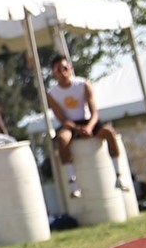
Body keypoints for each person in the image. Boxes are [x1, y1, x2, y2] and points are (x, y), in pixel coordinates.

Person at [45, 54, 128, 198]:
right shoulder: (52, 94)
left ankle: (118, 176)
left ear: (70, 68)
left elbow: (94, 111)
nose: (63, 72)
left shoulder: (83, 84)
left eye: (65, 68)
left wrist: (89, 127)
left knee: (109, 132)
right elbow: (62, 118)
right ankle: (73, 184)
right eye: (58, 70)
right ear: (54, 73)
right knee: (62, 140)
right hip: (70, 125)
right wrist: (76, 129)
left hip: (88, 121)